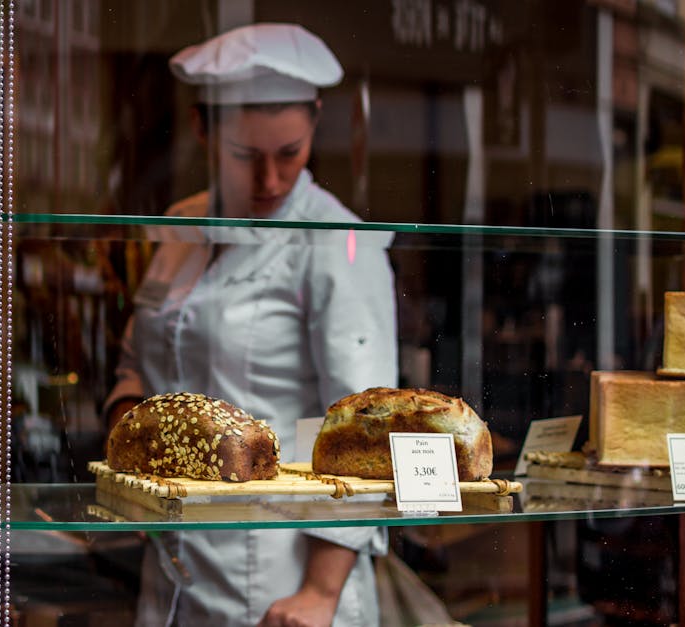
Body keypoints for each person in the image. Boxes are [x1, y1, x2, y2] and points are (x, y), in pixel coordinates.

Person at [104, 23, 399, 627]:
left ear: (315, 124)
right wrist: (127, 435)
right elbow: (140, 359)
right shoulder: (180, 226)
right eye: (245, 157)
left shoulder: (337, 241)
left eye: (289, 154)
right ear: (201, 129)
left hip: (281, 578)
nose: (270, 182)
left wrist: (319, 593)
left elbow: (363, 432)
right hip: (173, 563)